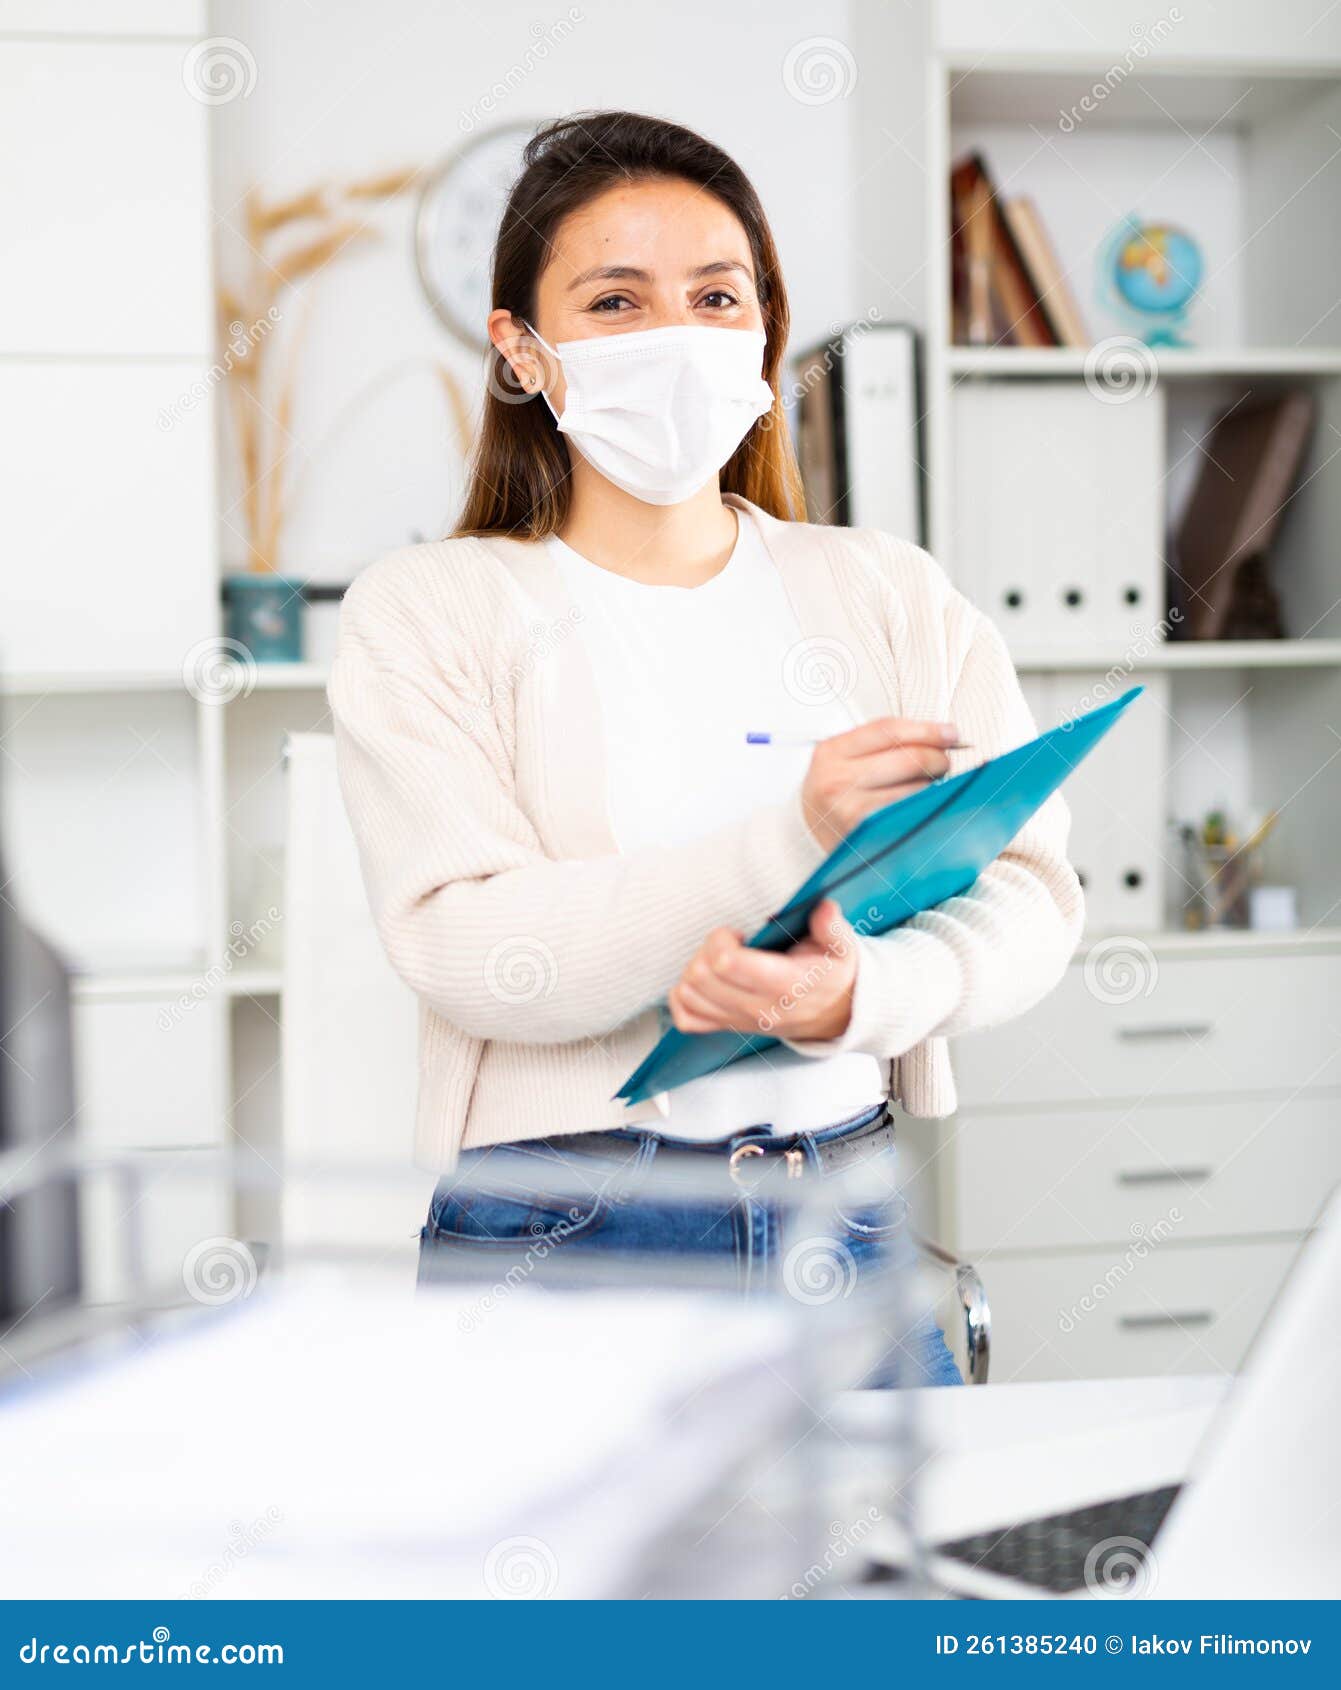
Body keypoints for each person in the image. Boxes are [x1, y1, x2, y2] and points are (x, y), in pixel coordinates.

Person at [329, 111, 1083, 1386]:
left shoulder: (886, 591)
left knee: (894, 1585)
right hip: (565, 1239)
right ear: (522, 350)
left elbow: (1028, 889)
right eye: (615, 301)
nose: (675, 337)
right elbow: (468, 948)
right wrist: (788, 840)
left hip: (843, 1219)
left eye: (716, 295)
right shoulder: (429, 608)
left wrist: (860, 999)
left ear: (763, 333)